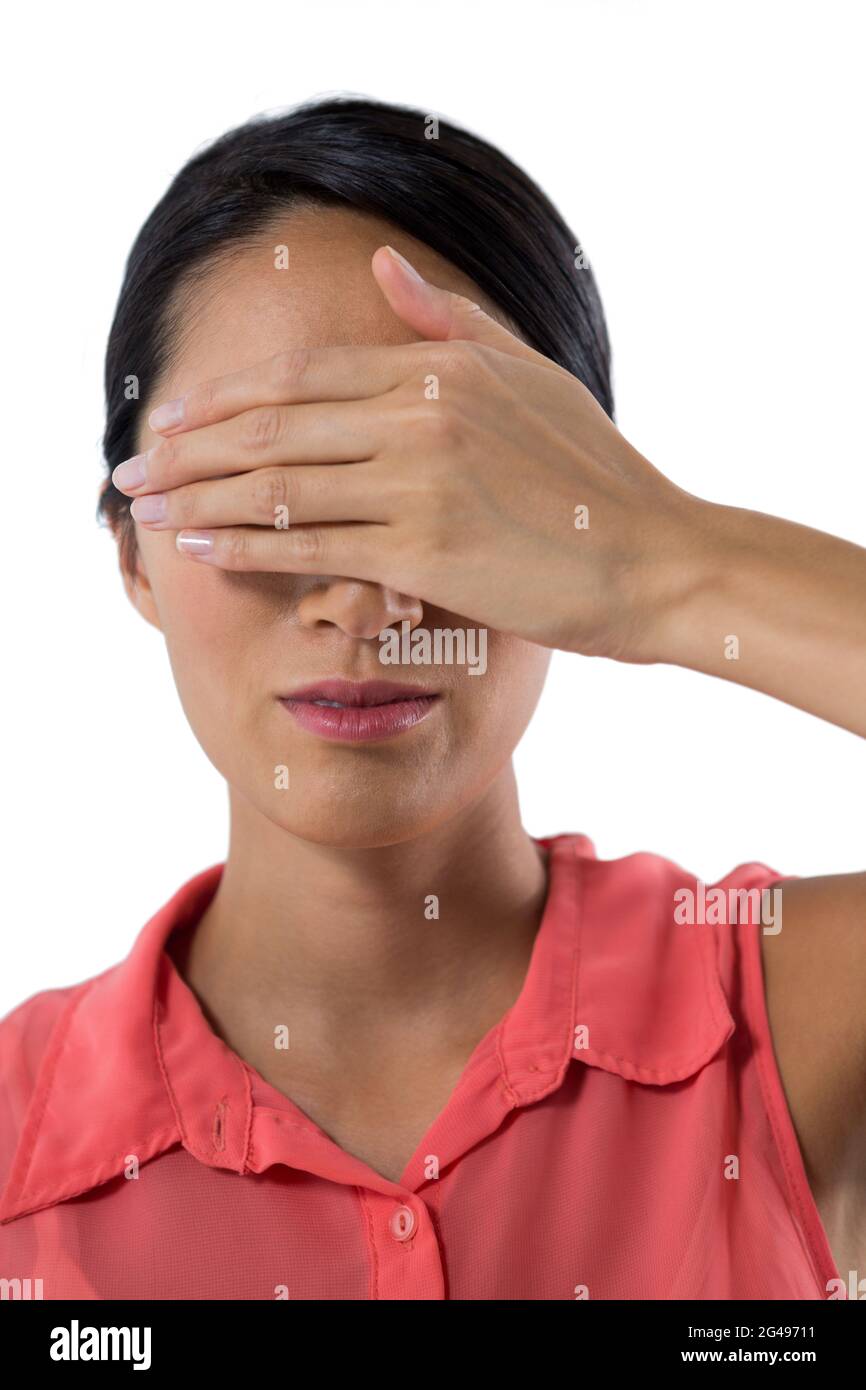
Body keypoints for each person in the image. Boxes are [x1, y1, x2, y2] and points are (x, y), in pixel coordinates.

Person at [1, 96, 864, 1301]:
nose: (359, 598)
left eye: (438, 493)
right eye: (261, 489)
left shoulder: (792, 1016)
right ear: (132, 555)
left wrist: (667, 562)